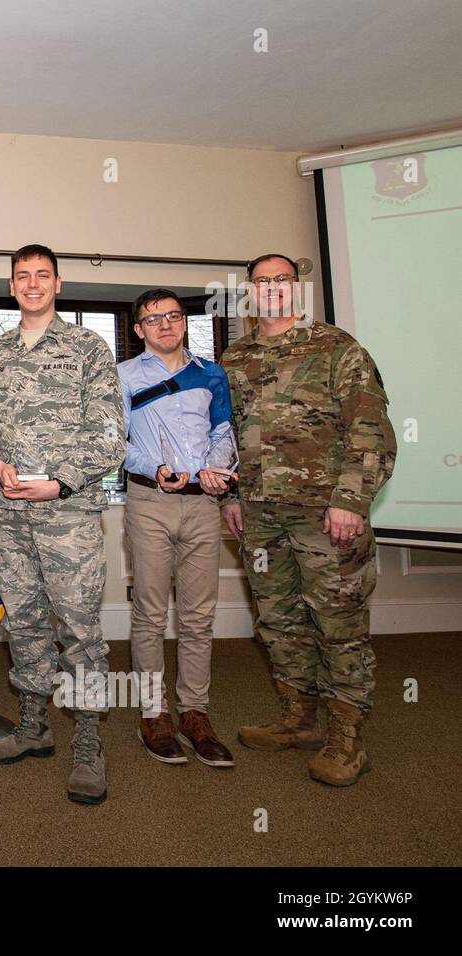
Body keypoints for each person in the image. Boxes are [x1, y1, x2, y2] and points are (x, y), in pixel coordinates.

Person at [221, 253, 395, 787]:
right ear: (248, 292)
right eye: (261, 282)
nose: (271, 288)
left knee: (337, 623)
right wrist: (229, 494)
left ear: (296, 289)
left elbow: (370, 429)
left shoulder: (337, 349)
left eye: (282, 280)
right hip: (258, 514)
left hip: (326, 514)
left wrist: (351, 499)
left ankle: (347, 738)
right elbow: (225, 434)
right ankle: (298, 716)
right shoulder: (235, 357)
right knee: (278, 619)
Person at [0, 244, 125, 804]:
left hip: (69, 515)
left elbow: (110, 436)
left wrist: (61, 480)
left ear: (58, 283)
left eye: (42, 275)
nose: (31, 283)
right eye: (22, 276)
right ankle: (34, 725)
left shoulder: (87, 348)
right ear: (12, 285)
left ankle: (87, 740)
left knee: (79, 629)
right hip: (7, 516)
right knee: (25, 622)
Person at [118, 288, 236, 768]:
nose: (165, 324)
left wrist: (217, 468)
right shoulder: (122, 376)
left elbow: (223, 432)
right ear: (139, 330)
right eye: (153, 318)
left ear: (184, 322)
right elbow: (113, 441)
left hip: (203, 506)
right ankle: (153, 713)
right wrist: (154, 466)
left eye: (173, 316)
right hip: (149, 501)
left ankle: (195, 712)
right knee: (149, 613)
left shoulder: (211, 374)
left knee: (197, 616)